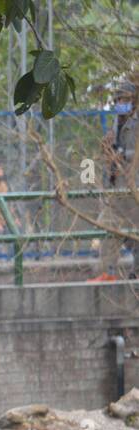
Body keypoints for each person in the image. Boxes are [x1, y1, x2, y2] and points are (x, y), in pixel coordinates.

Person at [94, 79, 136, 281]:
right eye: (118, 98)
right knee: (108, 227)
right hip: (117, 187)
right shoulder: (116, 122)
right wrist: (107, 149)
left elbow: (133, 153)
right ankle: (108, 273)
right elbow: (112, 155)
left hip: (133, 188)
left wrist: (121, 154)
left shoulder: (135, 124)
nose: (121, 102)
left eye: (125, 98)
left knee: (130, 234)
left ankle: (131, 273)